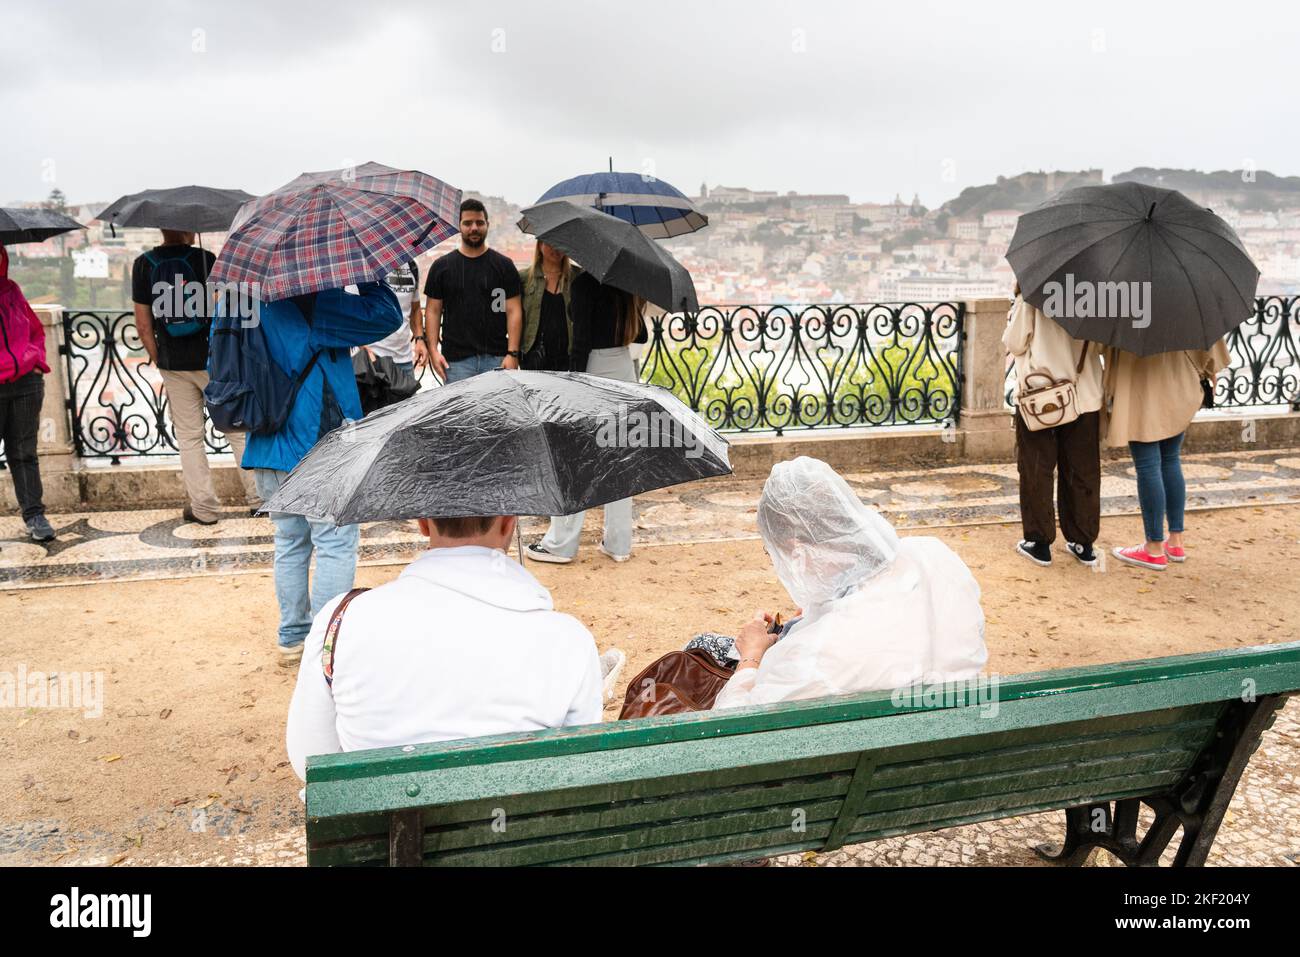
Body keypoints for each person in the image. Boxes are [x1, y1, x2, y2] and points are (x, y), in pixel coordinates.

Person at [286, 512, 603, 780]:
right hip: (521, 844)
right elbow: (579, 767)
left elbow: (310, 761)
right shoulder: (569, 640)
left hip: (385, 844)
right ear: (509, 523)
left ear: (423, 523)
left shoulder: (341, 621)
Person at [706, 457, 987, 710]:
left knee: (703, 646)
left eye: (774, 553)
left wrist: (751, 656)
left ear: (797, 550)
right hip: (949, 732)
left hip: (860, 758)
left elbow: (733, 726)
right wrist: (814, 620)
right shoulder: (934, 555)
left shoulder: (812, 658)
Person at [245, 282, 403, 662]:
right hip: (317, 442)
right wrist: (368, 276)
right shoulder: (316, 302)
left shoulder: (239, 302)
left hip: (266, 440)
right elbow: (386, 317)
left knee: (289, 542)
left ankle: (292, 637)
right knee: (335, 543)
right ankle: (322, 645)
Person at [131, 229, 259, 523]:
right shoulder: (205, 258)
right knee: (236, 430)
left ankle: (204, 509)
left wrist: (158, 357)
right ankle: (258, 498)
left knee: (189, 438)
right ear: (188, 229)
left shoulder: (143, 264)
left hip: (173, 363)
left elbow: (142, 323)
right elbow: (221, 308)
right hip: (212, 360)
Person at [525, 273, 648, 564]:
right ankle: (619, 544)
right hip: (624, 368)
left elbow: (580, 340)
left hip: (593, 367)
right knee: (620, 459)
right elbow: (640, 335)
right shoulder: (628, 282)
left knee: (575, 460)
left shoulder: (582, 284)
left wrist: (574, 384)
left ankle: (561, 545)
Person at [1104, 339, 1230, 571]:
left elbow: (1105, 344)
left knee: (1148, 466)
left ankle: (1153, 548)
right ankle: (1176, 541)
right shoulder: (1189, 303)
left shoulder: (1127, 305)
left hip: (1139, 389)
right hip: (1178, 387)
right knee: (1171, 459)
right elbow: (1211, 350)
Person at [1003, 288, 1104, 567]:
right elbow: (1101, 345)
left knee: (1037, 466)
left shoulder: (1035, 294)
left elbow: (1015, 343)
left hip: (1042, 395)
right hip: (1084, 395)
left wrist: (1014, 311)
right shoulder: (1098, 294)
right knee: (1082, 469)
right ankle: (1083, 541)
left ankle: (1039, 542)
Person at [415, 199, 523, 383]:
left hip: (496, 358)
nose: (474, 228)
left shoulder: (504, 266)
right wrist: (433, 351)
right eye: (467, 223)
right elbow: (433, 311)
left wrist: (512, 353)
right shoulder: (442, 267)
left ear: (487, 225)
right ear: (459, 226)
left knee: (497, 413)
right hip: (456, 362)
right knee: (459, 413)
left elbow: (514, 310)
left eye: (479, 223)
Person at [0, 245, 55, 542]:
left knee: (24, 454)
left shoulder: (11, 291)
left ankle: (34, 515)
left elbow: (35, 330)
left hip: (25, 382)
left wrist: (36, 360)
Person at [517, 241, 576, 371]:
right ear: (539, 245)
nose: (556, 248)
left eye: (561, 243)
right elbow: (515, 317)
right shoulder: (524, 278)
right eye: (550, 243)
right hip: (533, 358)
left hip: (568, 359)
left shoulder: (577, 277)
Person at [367, 260, 421, 378]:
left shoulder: (412, 266)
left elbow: (415, 308)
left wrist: (420, 339)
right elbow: (356, 309)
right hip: (375, 358)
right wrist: (364, 348)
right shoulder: (368, 265)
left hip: (405, 360)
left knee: (412, 397)